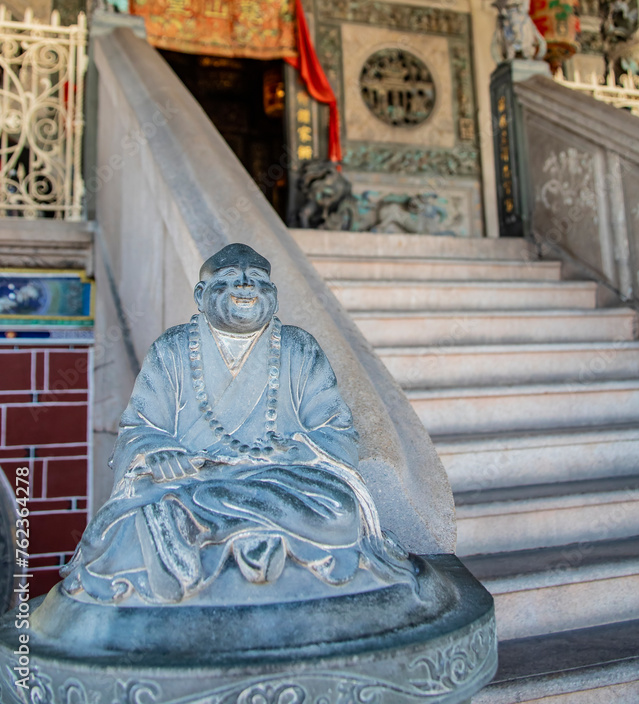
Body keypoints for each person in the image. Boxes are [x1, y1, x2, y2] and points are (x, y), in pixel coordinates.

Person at [61, 243, 413, 605]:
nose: (245, 286)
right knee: (128, 521)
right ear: (201, 294)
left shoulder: (300, 348)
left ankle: (198, 532)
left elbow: (338, 429)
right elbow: (139, 427)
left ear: (273, 294)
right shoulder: (171, 349)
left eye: (257, 279)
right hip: (196, 479)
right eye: (229, 278)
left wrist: (299, 449)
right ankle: (234, 537)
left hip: (280, 478)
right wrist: (161, 452)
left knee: (340, 512)